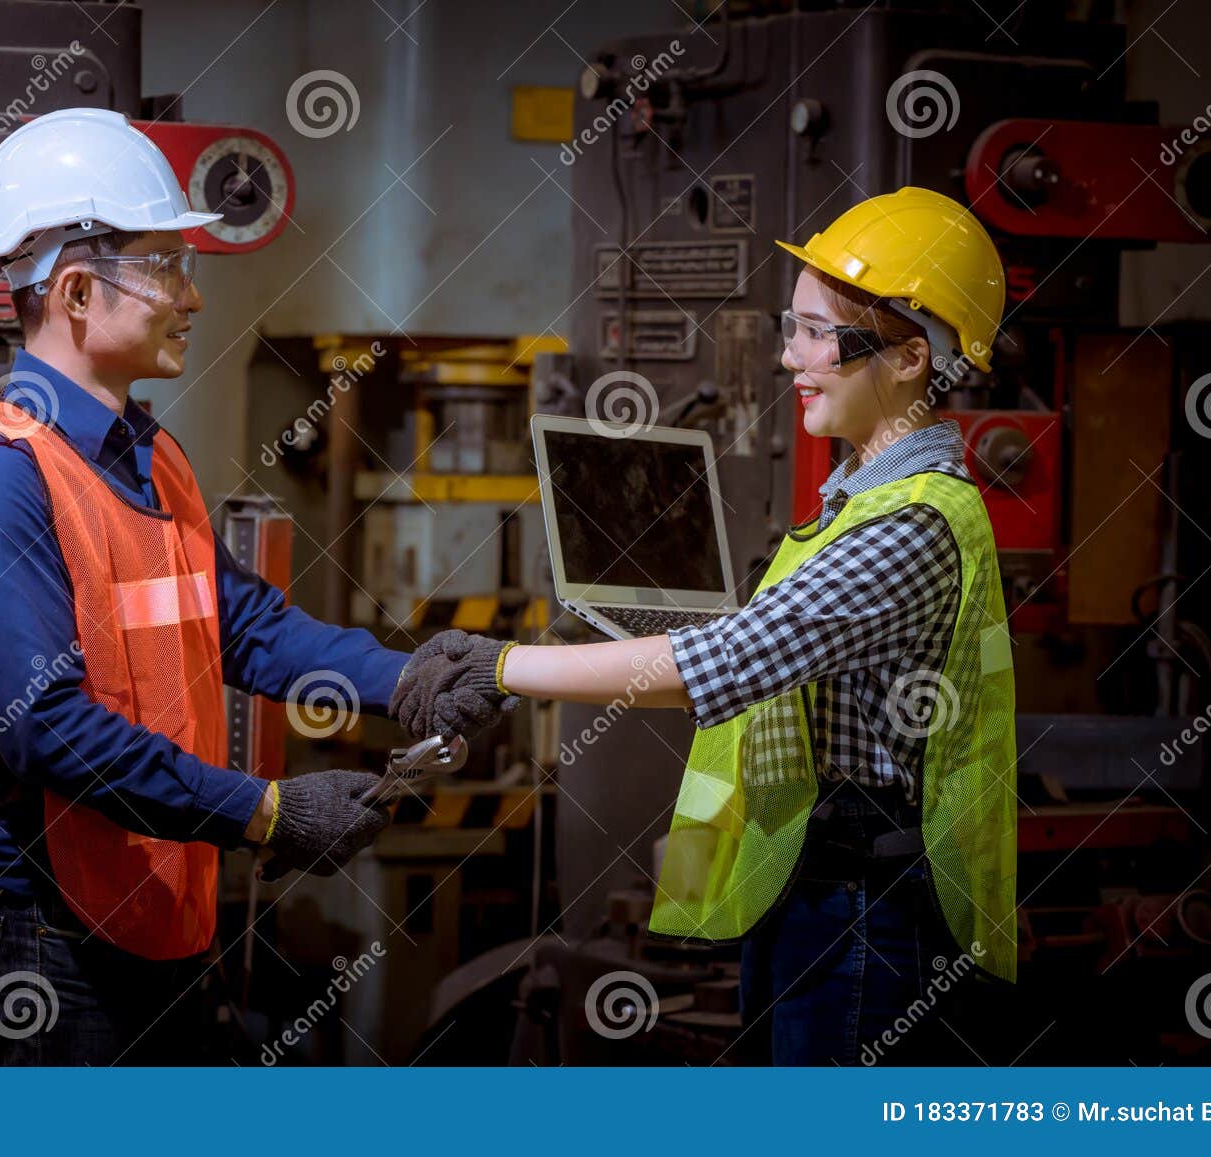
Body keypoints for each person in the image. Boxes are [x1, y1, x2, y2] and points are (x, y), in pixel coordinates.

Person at [0, 108, 502, 1065]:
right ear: (76, 290)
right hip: (40, 946)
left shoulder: (151, 455)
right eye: (167, 268)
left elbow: (245, 626)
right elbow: (43, 725)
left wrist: (403, 680)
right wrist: (265, 813)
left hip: (158, 914)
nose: (194, 298)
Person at [393, 187, 1018, 1065]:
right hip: (822, 891)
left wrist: (502, 666)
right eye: (787, 325)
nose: (790, 356)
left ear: (911, 358)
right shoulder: (861, 506)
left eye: (816, 333)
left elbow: (719, 662)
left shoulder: (911, 528)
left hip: (867, 912)